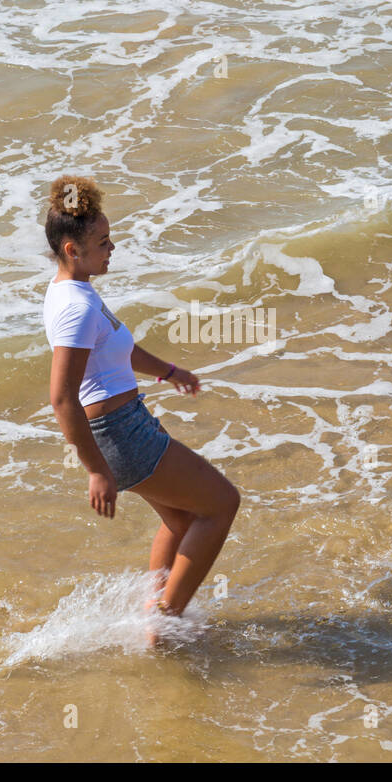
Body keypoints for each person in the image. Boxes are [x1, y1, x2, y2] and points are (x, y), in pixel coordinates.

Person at [41, 174, 241, 636]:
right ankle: (165, 625)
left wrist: (168, 371)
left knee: (180, 520)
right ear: (73, 250)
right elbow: (61, 397)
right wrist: (96, 470)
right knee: (222, 503)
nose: (112, 249)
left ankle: (156, 608)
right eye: (103, 242)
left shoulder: (75, 294)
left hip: (125, 426)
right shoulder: (76, 307)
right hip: (119, 433)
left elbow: (117, 347)